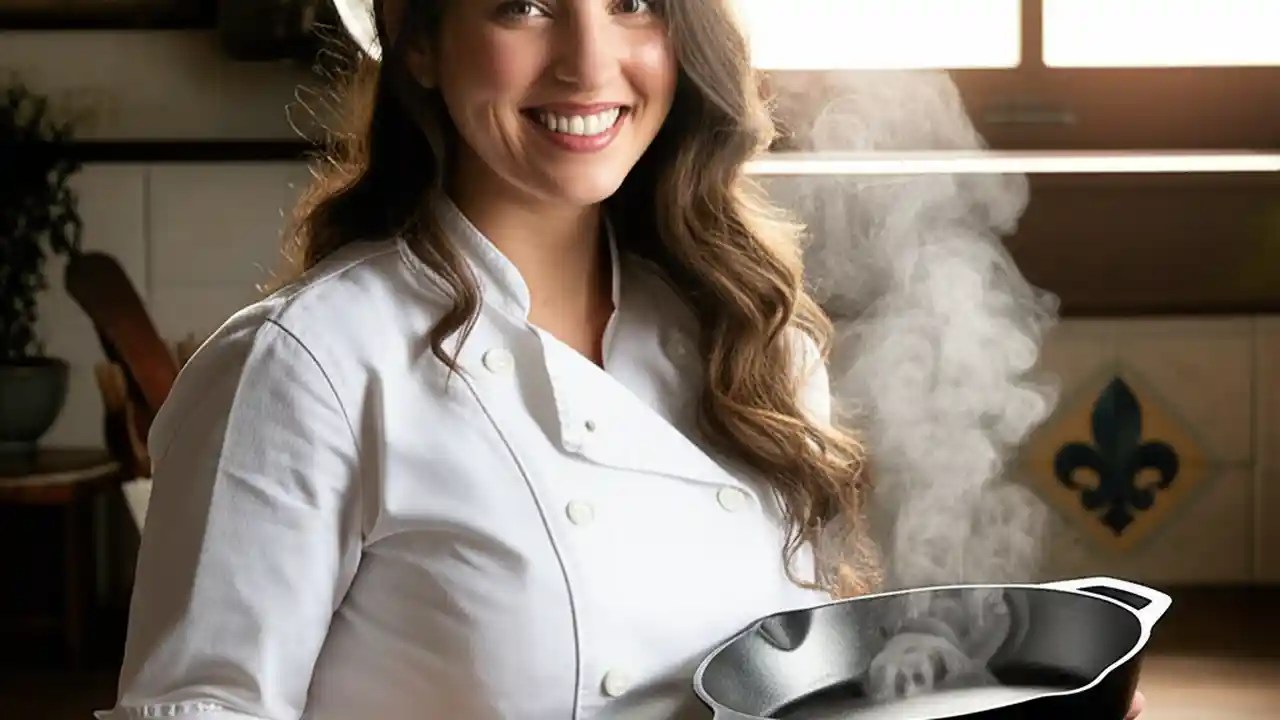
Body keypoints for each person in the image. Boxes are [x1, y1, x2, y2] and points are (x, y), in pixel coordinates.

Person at [96, 1, 1145, 718]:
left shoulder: (753, 339)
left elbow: (802, 687)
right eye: (523, 2)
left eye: (635, 1)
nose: (589, 64)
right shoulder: (305, 370)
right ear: (418, 40)